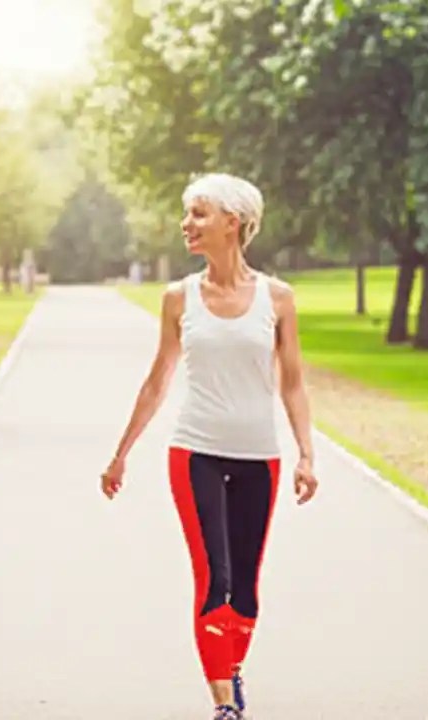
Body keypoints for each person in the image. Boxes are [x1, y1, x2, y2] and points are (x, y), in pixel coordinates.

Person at [100, 173, 319, 720]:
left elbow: (292, 381)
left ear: (233, 222)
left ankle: (231, 668)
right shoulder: (179, 298)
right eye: (186, 214)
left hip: (259, 456)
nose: (187, 224)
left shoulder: (278, 298)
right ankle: (224, 705)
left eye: (199, 214)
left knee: (245, 588)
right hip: (194, 451)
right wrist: (122, 451)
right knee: (213, 577)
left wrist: (306, 454)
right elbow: (158, 380)